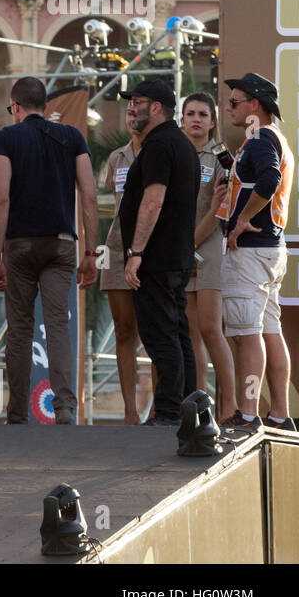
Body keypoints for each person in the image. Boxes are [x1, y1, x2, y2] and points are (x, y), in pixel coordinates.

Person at [0, 77, 99, 425]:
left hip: (19, 243)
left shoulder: (6, 138)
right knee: (58, 326)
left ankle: (17, 412)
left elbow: (1, 197)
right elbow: (90, 196)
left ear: (16, 106)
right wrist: (91, 253)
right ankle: (65, 407)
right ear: (46, 106)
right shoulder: (72, 137)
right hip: (62, 242)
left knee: (20, 328)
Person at [117, 78, 200, 427]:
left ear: (156, 107)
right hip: (174, 258)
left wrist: (136, 251)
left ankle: (168, 413)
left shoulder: (159, 145)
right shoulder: (178, 144)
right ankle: (191, 409)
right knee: (178, 335)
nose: (130, 108)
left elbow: (154, 199)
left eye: (136, 101)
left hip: (158, 260)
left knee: (161, 336)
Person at [217, 73, 295, 432]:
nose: (228, 107)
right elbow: (260, 179)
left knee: (247, 334)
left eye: (234, 101)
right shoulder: (272, 138)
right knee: (268, 330)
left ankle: (248, 414)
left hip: (251, 251)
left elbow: (268, 180)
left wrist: (241, 220)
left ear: (255, 106)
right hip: (271, 249)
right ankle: (279, 414)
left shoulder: (261, 137)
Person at [179, 93, 236, 423]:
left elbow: (221, 209)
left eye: (203, 114)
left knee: (212, 329)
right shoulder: (174, 152)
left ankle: (229, 408)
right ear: (182, 119)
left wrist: (190, 245)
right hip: (181, 248)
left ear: (213, 121)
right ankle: (200, 407)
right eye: (190, 113)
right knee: (190, 333)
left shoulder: (220, 157)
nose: (196, 119)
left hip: (208, 246)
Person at [100, 127, 146, 424]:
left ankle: (158, 409)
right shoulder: (117, 157)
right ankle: (130, 411)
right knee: (123, 330)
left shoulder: (162, 150)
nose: (132, 114)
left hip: (153, 247)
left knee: (155, 332)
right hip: (116, 246)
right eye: (128, 110)